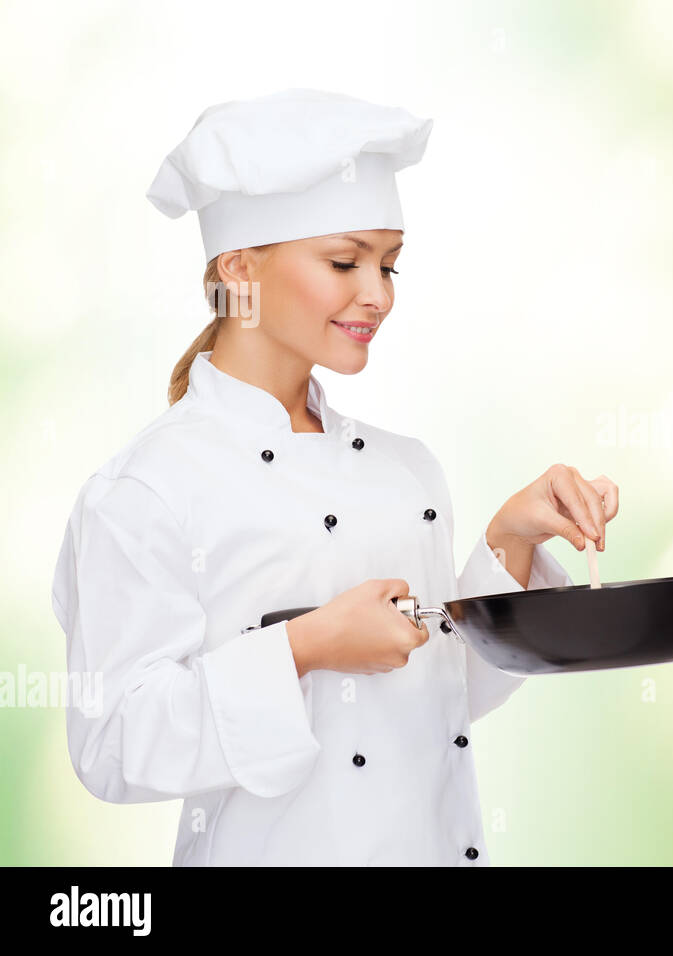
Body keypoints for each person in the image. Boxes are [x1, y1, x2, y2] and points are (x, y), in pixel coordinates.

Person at [49, 88, 618, 865]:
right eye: (345, 262)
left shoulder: (405, 471)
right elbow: (114, 742)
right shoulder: (148, 489)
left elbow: (438, 701)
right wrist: (303, 647)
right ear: (240, 269)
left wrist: (510, 540)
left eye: (389, 264)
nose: (377, 295)